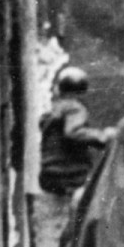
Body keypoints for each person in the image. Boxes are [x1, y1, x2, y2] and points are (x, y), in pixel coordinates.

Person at [38, 67, 113, 198]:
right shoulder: (75, 108)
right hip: (69, 175)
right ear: (83, 91)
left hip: (49, 173)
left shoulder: (54, 109)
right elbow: (74, 132)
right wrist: (103, 137)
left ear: (58, 87)